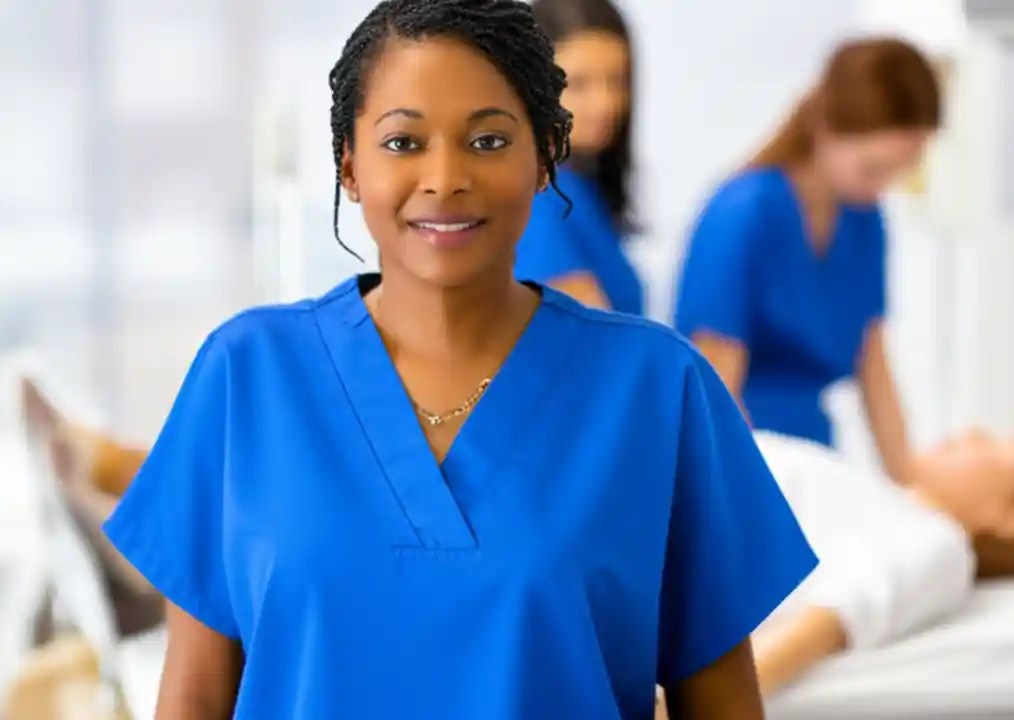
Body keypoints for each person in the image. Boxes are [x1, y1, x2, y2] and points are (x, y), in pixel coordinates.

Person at [101, 1, 817, 717]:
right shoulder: (247, 375)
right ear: (349, 165)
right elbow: (192, 700)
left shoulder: (658, 390)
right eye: (404, 142)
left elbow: (723, 706)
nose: (444, 177)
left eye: (487, 140)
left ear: (544, 160)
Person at [672, 38, 941, 481]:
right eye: (872, 168)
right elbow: (716, 390)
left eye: (898, 171)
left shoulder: (863, 220)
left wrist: (911, 486)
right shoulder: (746, 213)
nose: (881, 187)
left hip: (815, 464)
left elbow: (872, 366)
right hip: (746, 464)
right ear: (825, 130)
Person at [750, 429, 1014, 694]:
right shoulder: (888, 501)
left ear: (1009, 520)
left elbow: (822, 626)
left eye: (996, 448)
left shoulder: (940, 546)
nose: (972, 433)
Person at [513, 0, 645, 314]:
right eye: (579, 84)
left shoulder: (580, 188)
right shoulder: (537, 192)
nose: (605, 104)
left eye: (617, 80)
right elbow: (596, 353)